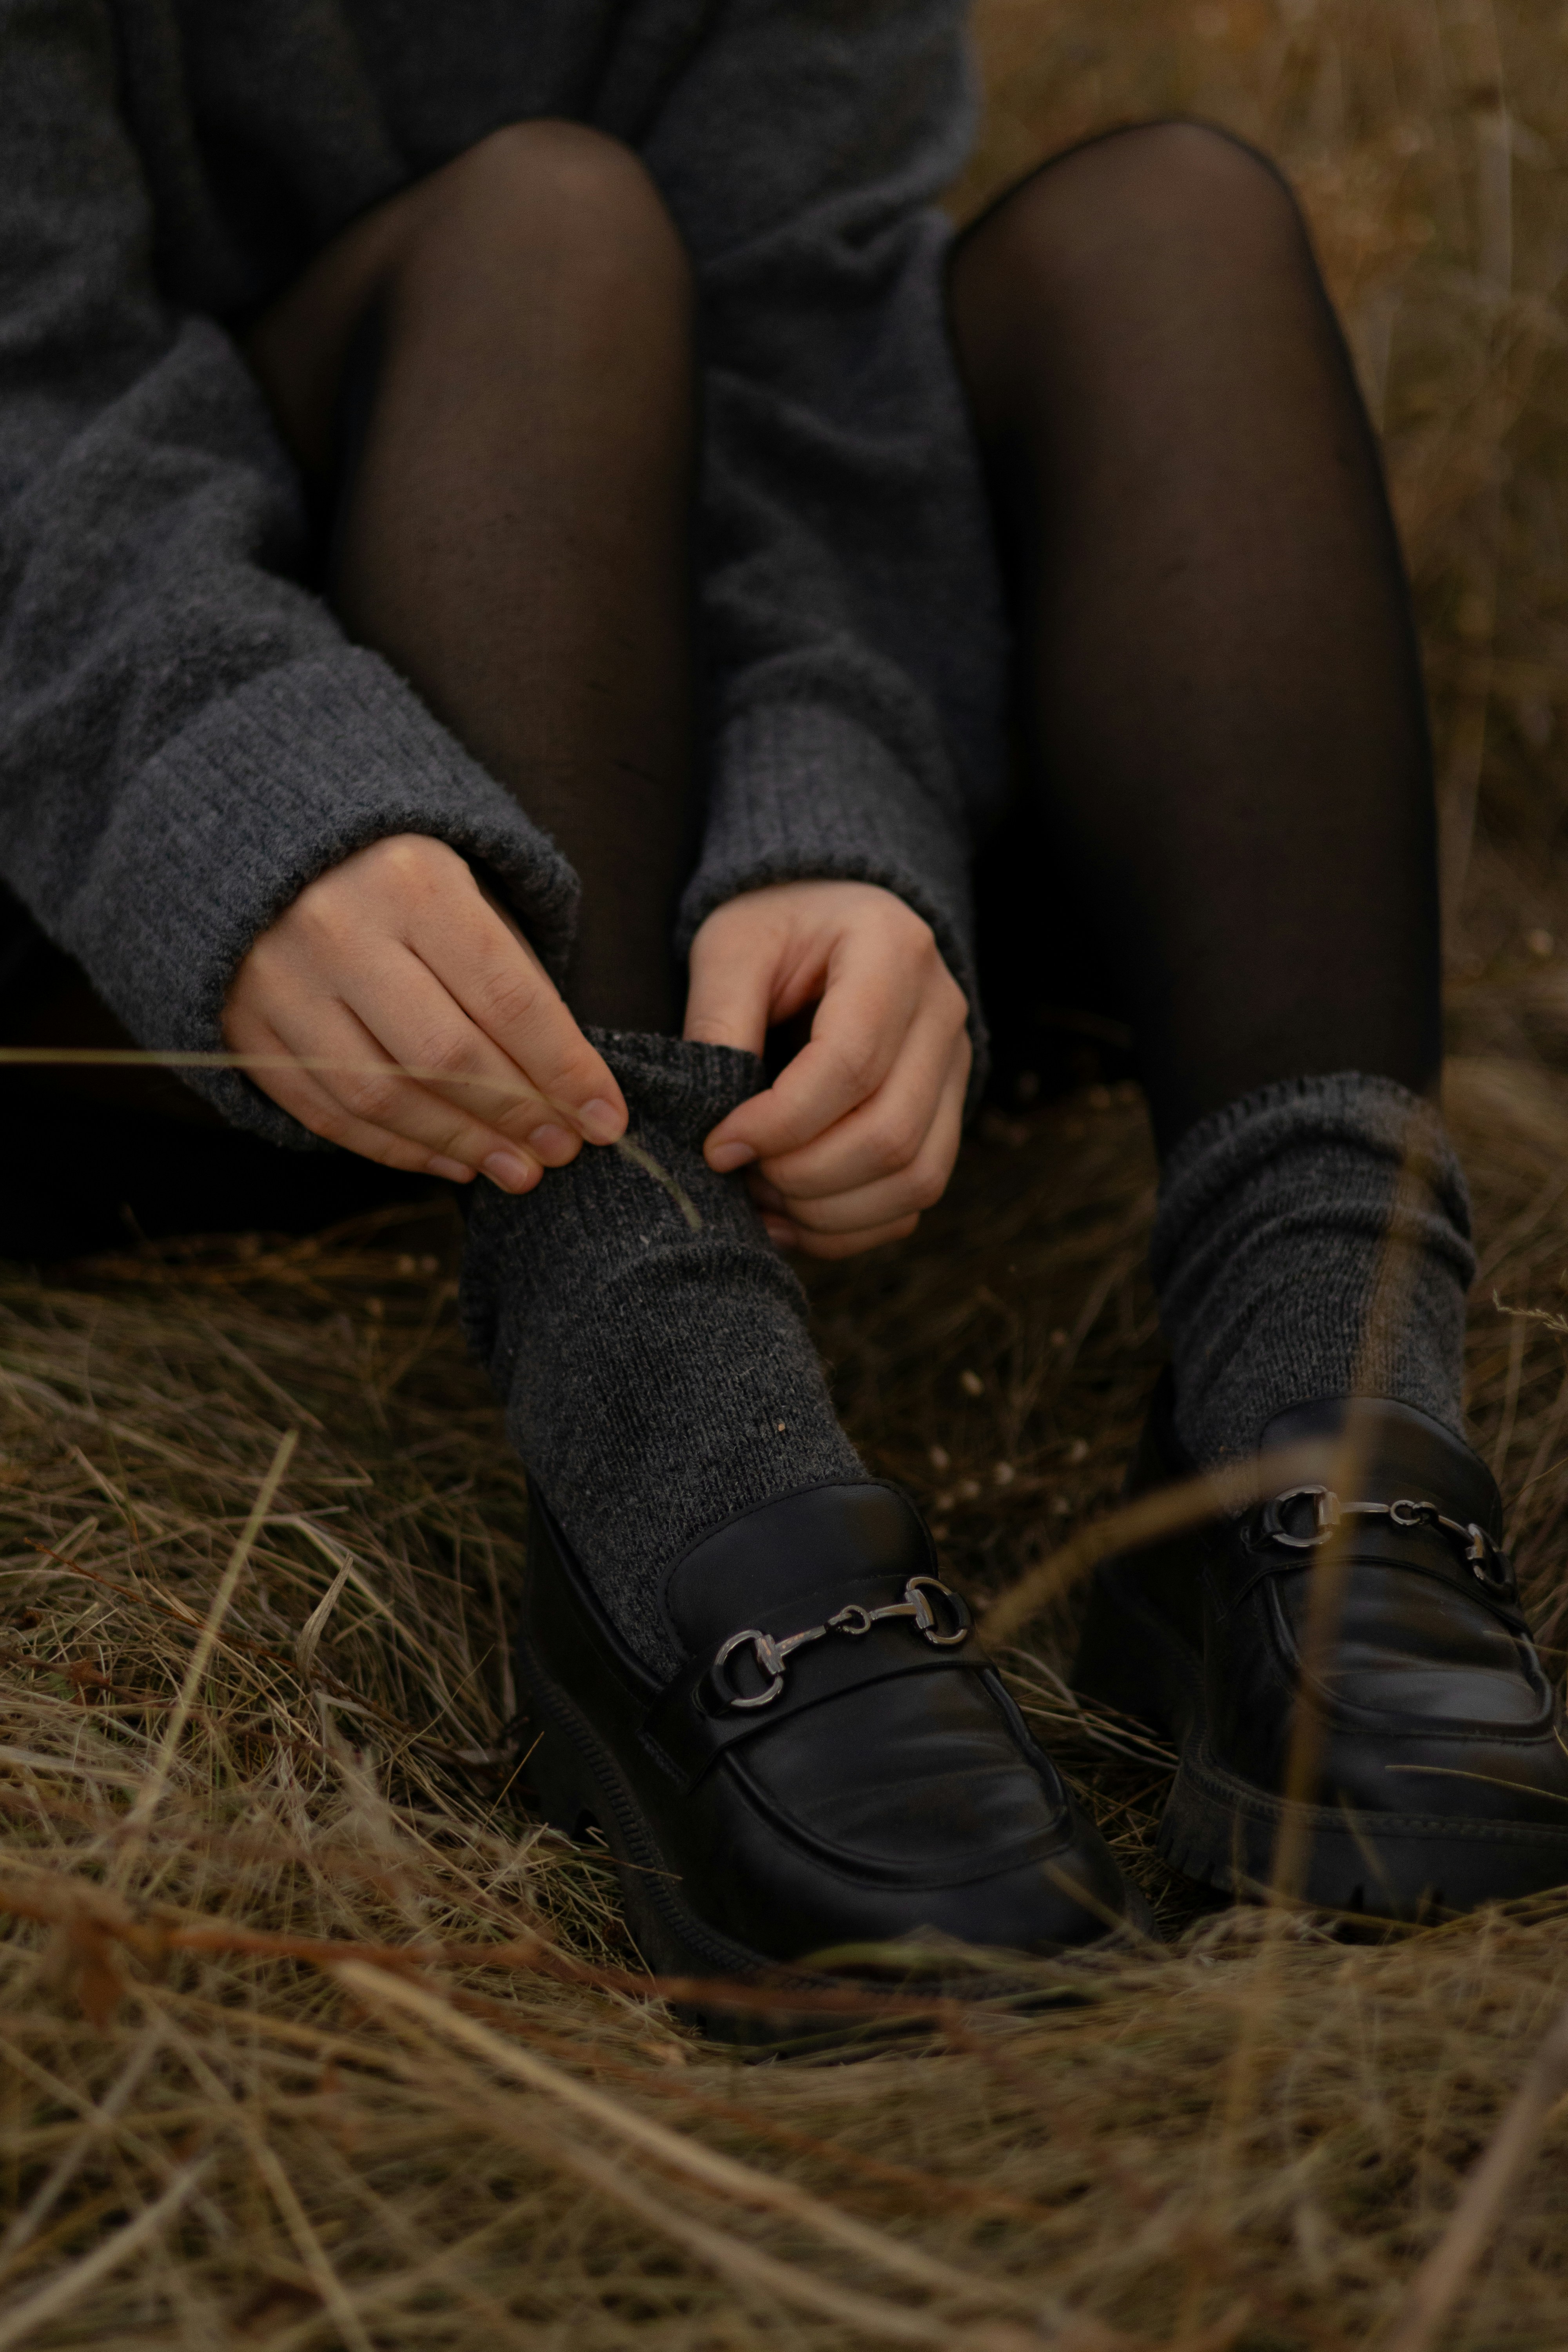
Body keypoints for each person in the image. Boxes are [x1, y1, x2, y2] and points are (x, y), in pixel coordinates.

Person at [3, 1, 1564, 2016]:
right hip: (118, 870)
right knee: (539, 233)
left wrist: (836, 819)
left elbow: (814, 373)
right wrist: (240, 793)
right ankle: (679, 1455)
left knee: (1166, 235)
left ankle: (1314, 1424)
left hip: (624, 830)